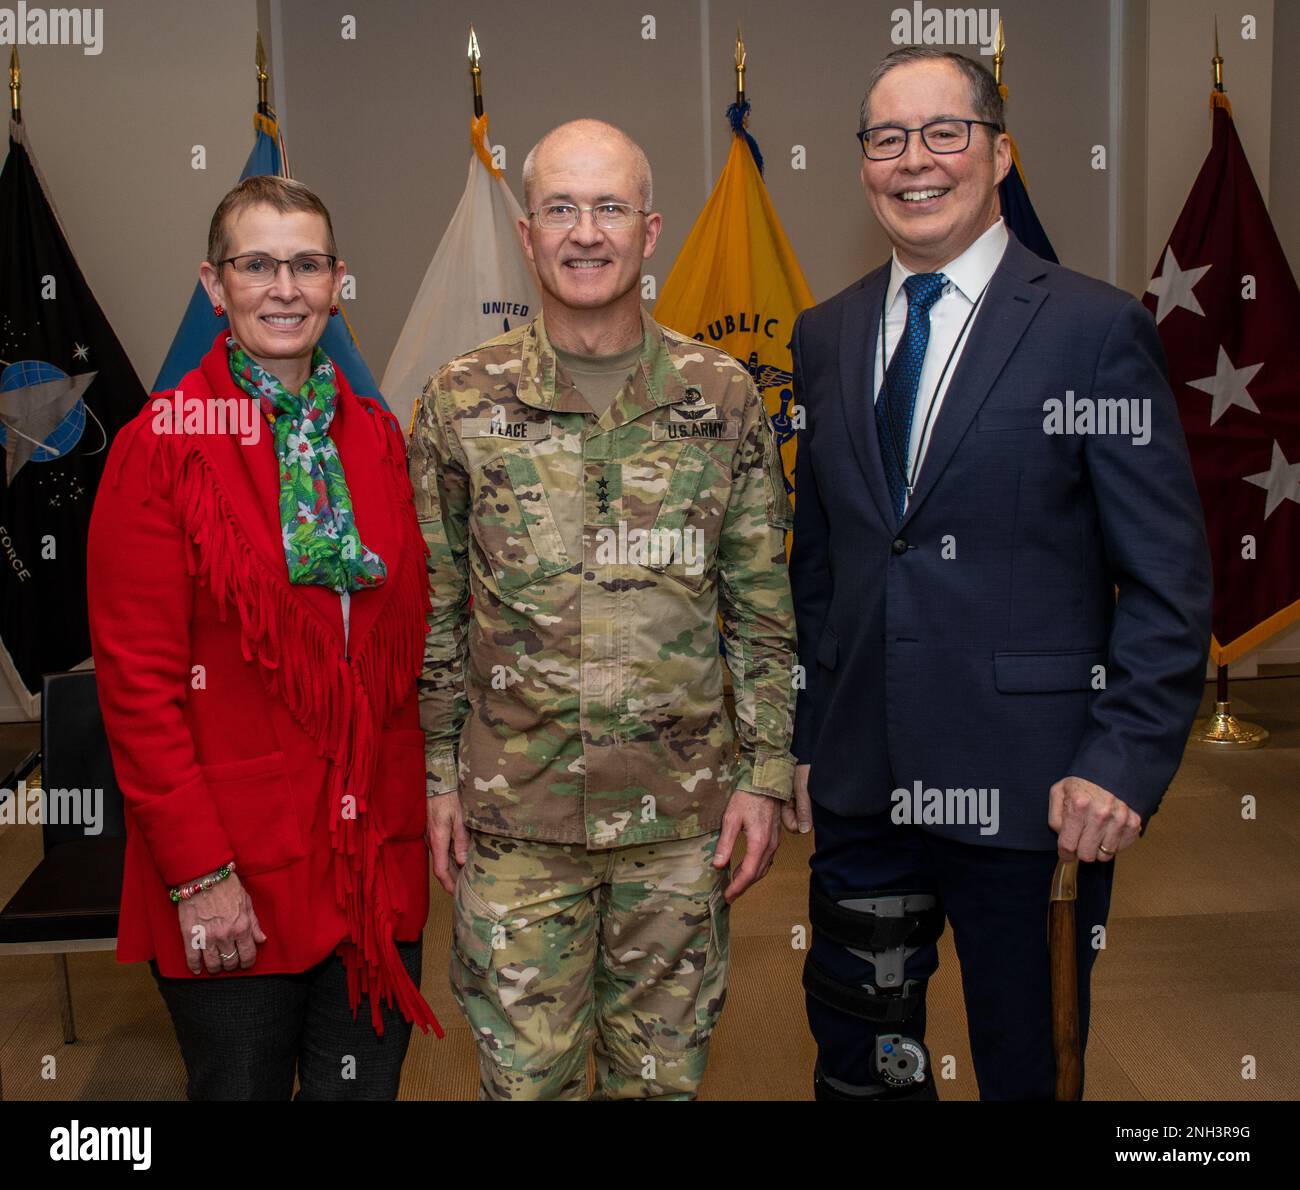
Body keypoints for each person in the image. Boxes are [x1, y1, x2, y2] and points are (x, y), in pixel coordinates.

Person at [788, 48, 1212, 1101]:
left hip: (1035, 791)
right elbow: (824, 562)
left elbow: (1166, 578)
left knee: (1025, 1064)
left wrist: (1122, 757)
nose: (914, 161)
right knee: (862, 1065)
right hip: (860, 787)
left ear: (998, 150)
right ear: (862, 165)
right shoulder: (825, 333)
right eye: (887, 139)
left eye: (945, 132)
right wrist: (806, 732)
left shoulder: (1092, 328)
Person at [410, 119, 797, 1100]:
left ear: (650, 229)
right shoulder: (459, 401)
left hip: (678, 820)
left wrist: (762, 771)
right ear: (529, 231)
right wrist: (436, 773)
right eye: (561, 209)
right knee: (526, 1085)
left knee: (658, 1084)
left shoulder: (721, 396)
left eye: (610, 207)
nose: (587, 232)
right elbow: (439, 602)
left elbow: (759, 602)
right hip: (515, 818)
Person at [87, 175, 438, 1101]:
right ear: (214, 284)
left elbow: (400, 658)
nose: (285, 288)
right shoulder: (160, 444)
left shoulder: (376, 436)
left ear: (338, 281)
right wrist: (200, 874)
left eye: (308, 264)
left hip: (372, 864)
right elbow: (137, 692)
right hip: (237, 864)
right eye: (257, 264)